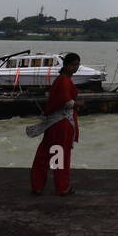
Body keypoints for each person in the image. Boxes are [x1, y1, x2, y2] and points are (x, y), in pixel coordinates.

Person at [30, 52, 81, 196]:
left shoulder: (61, 80)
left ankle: (37, 185)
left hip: (54, 123)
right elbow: (67, 101)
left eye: (77, 65)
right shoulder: (65, 81)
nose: (76, 68)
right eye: (73, 64)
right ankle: (61, 187)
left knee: (45, 154)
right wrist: (78, 103)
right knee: (59, 156)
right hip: (62, 124)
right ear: (66, 65)